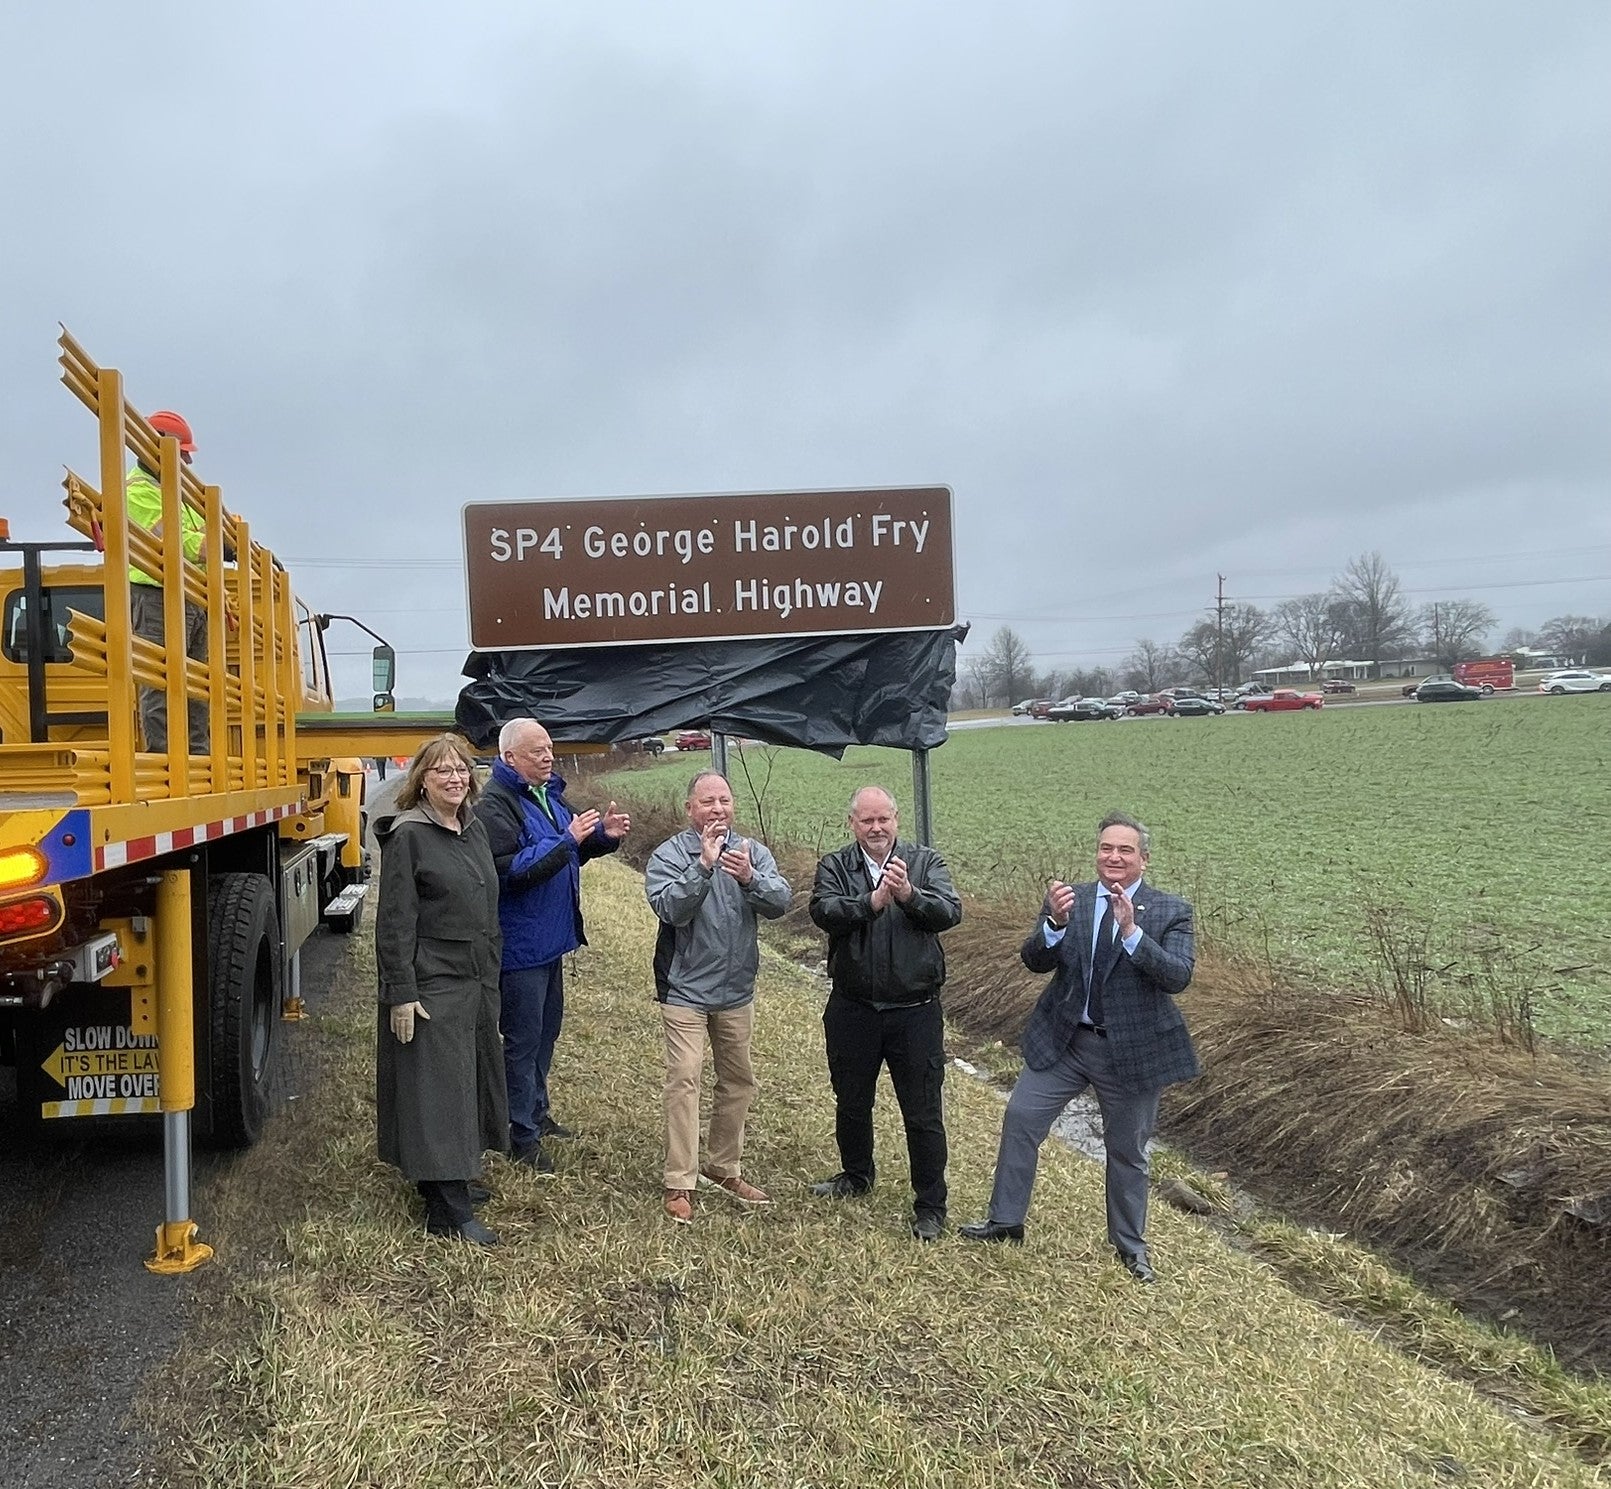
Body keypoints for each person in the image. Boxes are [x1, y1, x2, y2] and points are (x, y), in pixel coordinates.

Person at [961, 811, 1198, 1282]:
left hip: (1129, 1053)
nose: (1113, 857)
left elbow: (1178, 976)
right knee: (1021, 1118)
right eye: (1106, 848)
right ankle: (1006, 1221)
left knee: (1127, 1150)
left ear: (1143, 860)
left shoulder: (1172, 912)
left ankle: (1130, 1247)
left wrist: (1132, 933)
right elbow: (1033, 960)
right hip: (1066, 1042)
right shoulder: (1074, 899)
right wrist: (1052, 922)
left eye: (1124, 850)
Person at [808, 786, 963, 1242]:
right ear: (852, 824)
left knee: (923, 1114)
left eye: (884, 820)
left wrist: (909, 895)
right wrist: (869, 904)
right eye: (866, 821)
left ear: (896, 820)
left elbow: (950, 912)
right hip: (853, 1008)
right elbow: (823, 910)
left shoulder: (925, 862)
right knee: (852, 1101)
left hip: (915, 1011)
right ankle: (856, 1175)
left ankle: (931, 1206)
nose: (876, 829)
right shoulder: (836, 865)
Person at [374, 734, 509, 1247]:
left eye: (461, 770)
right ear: (421, 781)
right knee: (438, 1093)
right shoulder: (410, 836)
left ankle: (448, 1185)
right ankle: (447, 1210)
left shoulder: (470, 829)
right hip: (433, 981)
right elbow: (395, 924)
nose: (454, 778)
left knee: (468, 1080)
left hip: (475, 977)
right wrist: (401, 992)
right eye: (442, 771)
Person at [479, 718, 630, 1172]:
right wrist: (566, 840)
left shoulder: (549, 795)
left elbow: (571, 850)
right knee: (522, 1044)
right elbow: (510, 870)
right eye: (537, 751)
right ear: (510, 759)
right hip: (520, 948)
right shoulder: (497, 805)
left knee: (546, 1036)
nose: (548, 757)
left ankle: (537, 1115)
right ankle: (519, 1134)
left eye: (549, 749)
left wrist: (603, 836)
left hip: (551, 942)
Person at [645, 771, 790, 1225]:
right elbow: (670, 908)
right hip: (684, 989)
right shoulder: (670, 855)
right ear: (690, 809)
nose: (717, 809)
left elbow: (781, 902)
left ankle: (723, 1168)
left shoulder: (752, 852)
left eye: (724, 800)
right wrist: (703, 867)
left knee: (738, 1080)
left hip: (736, 990)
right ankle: (679, 1182)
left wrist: (750, 879)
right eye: (707, 802)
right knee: (684, 1078)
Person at [127, 409, 212, 754]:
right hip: (156, 596)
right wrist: (213, 540)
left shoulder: (177, 491)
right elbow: (183, 542)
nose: (188, 463)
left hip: (191, 596)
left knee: (197, 684)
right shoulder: (137, 492)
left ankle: (197, 756)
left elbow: (199, 538)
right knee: (159, 682)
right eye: (183, 454)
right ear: (159, 450)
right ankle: (164, 758)